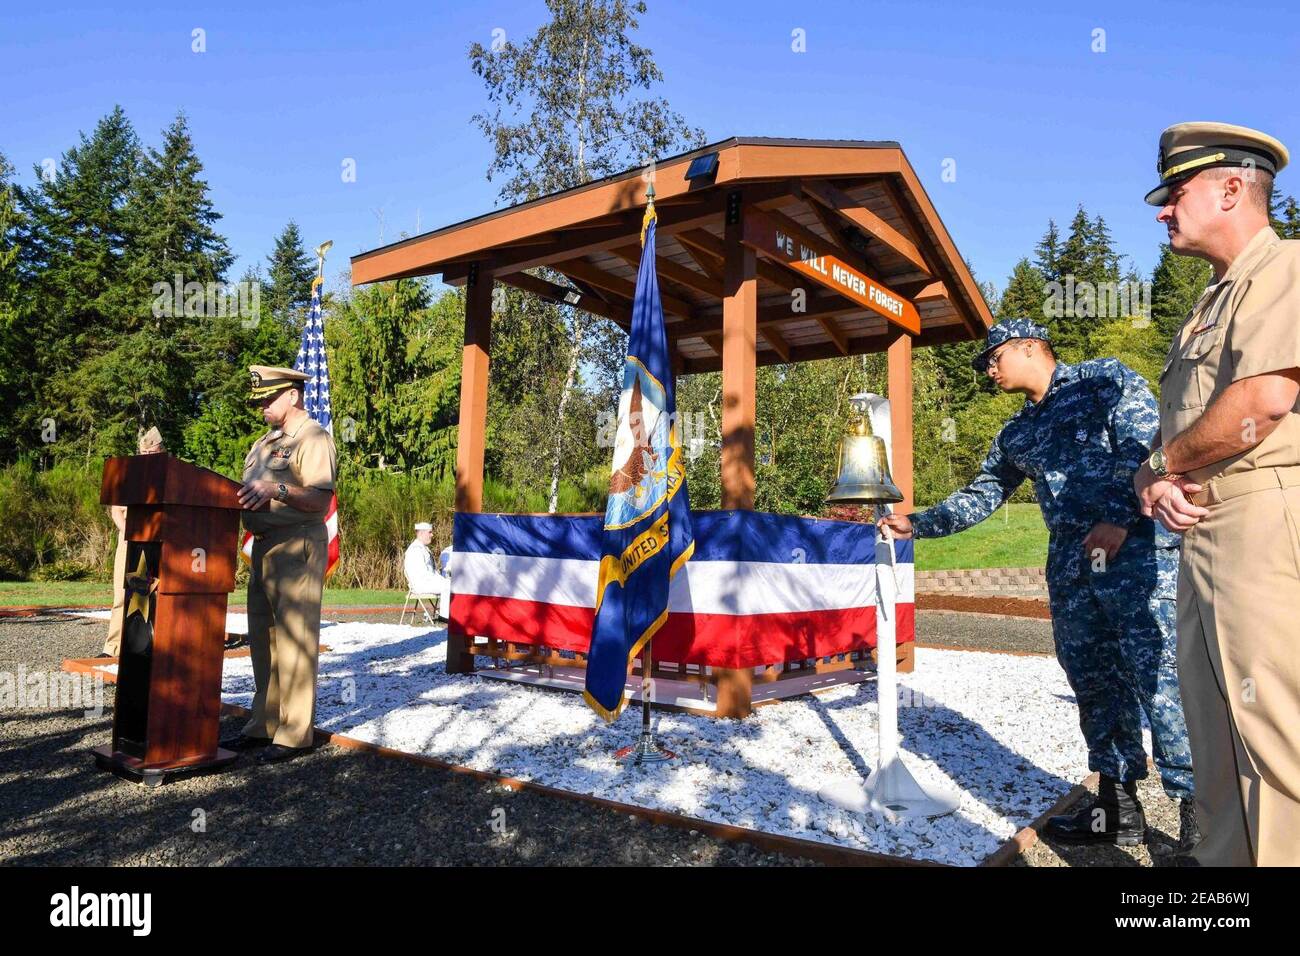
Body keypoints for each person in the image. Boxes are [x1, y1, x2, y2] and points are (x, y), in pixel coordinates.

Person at [879, 319, 1196, 850]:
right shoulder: (1017, 433)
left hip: (1136, 555)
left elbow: (1145, 444)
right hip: (1074, 571)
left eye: (993, 357)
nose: (987, 369)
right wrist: (921, 522)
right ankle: (1117, 809)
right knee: (1094, 682)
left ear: (1030, 346)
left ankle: (1199, 818)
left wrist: (1119, 516)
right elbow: (982, 494)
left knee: (1160, 680)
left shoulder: (1102, 380)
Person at [1134, 122, 1300, 866]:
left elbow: (1260, 402)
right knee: (1218, 742)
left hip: (1262, 520)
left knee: (1277, 745)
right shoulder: (1206, 306)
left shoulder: (1286, 269)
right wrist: (1153, 478)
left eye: (1176, 193)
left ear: (1232, 188)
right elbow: (1183, 435)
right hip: (1204, 532)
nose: (1163, 210)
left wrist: (1163, 465)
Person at [222, 365, 337, 764]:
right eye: (259, 401)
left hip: (296, 546)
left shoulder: (313, 438)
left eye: (268, 399)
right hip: (264, 549)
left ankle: (293, 734)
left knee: (295, 643)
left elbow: (320, 501)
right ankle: (263, 724)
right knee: (264, 643)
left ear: (293, 395)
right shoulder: (261, 444)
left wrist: (278, 488)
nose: (262, 406)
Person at [99, 427, 164, 658]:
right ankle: (113, 648)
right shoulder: (127, 475)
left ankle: (152, 646)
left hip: (158, 541)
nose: (147, 457)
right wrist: (132, 534)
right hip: (129, 539)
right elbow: (117, 512)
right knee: (121, 595)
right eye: (143, 452)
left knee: (154, 594)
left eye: (151, 452)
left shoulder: (171, 476)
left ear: (161, 450)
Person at [403, 522, 448, 620]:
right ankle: (445, 616)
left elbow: (430, 572)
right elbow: (422, 574)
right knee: (448, 586)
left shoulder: (422, 548)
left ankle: (450, 614)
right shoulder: (415, 550)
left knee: (451, 583)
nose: (432, 535)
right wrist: (440, 580)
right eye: (430, 532)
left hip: (426, 581)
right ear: (422, 533)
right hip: (421, 584)